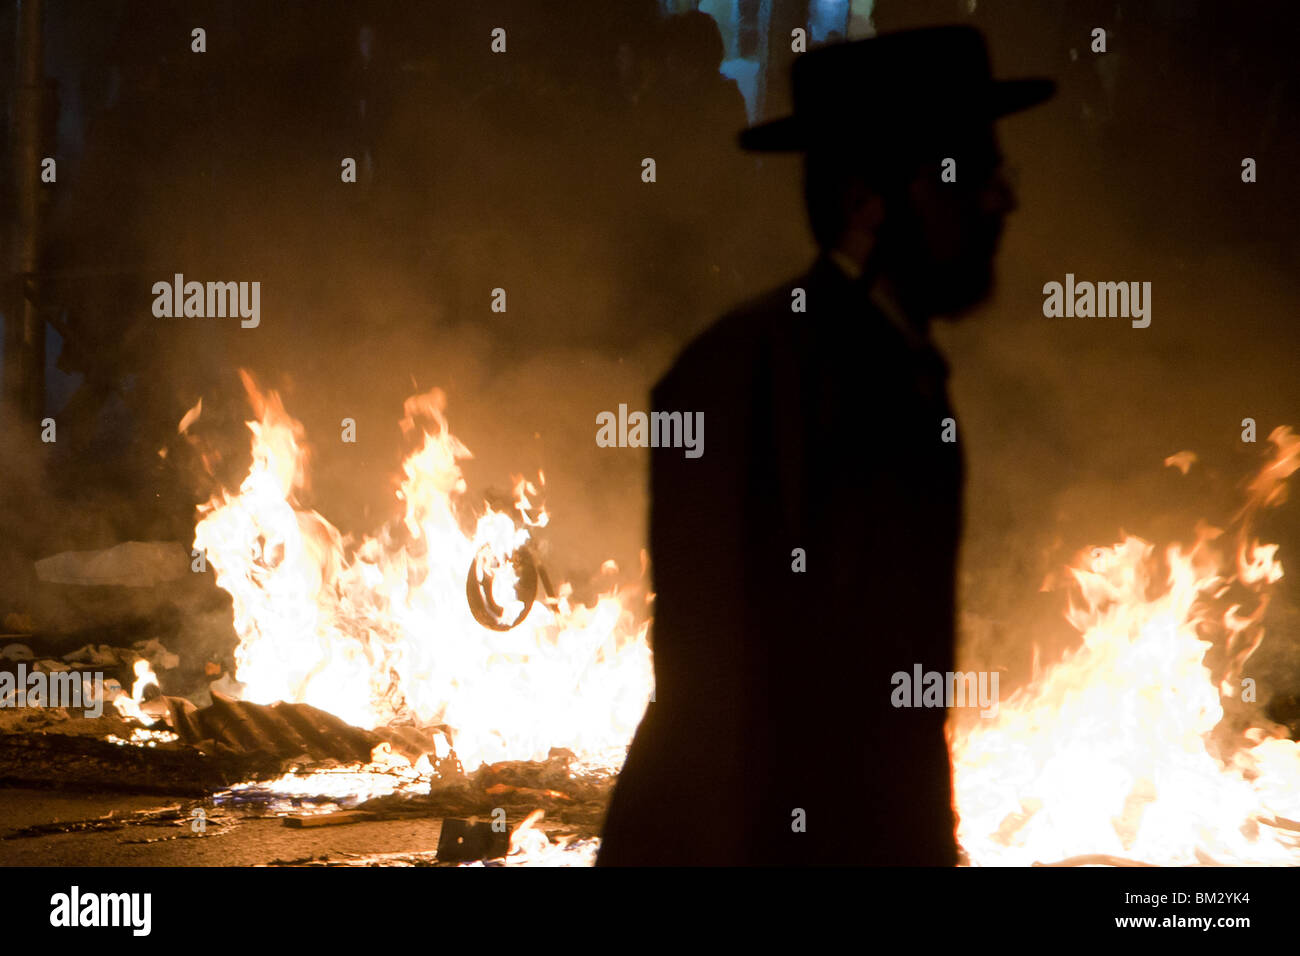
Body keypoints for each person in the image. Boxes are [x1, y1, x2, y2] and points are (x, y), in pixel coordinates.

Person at [598, 26, 1053, 866]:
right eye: (968, 173)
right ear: (865, 201)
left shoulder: (903, 369)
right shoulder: (744, 375)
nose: (1001, 200)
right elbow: (718, 704)